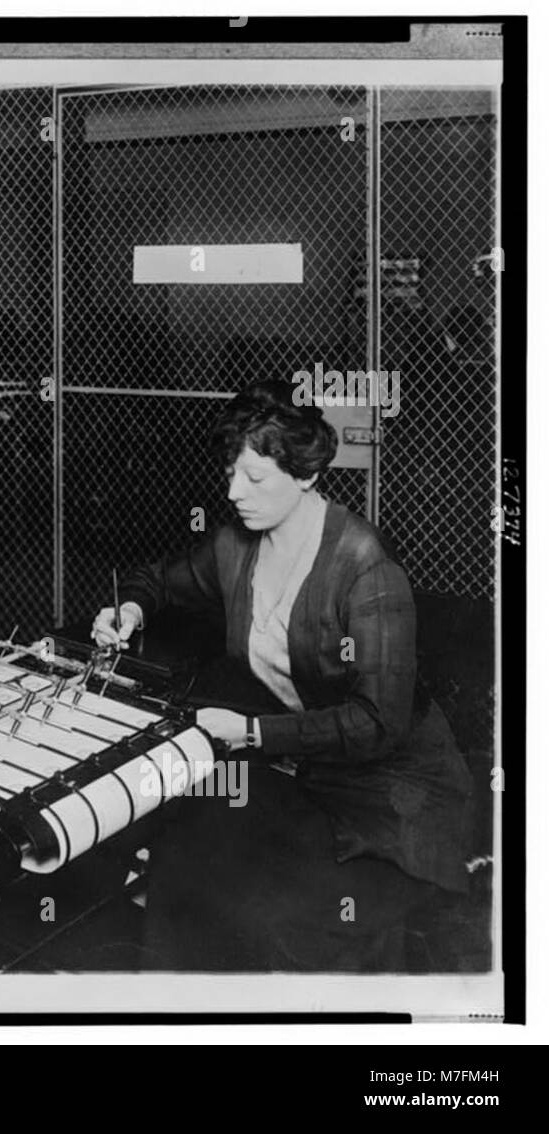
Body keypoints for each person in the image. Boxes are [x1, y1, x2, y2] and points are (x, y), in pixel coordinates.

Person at [92, 381, 473, 971]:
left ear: (306, 475)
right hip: (303, 770)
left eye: (255, 479)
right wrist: (129, 610)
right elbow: (158, 581)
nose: (232, 492)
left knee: (269, 913)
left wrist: (253, 736)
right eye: (230, 473)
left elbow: (380, 723)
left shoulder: (363, 564)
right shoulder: (235, 545)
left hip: (387, 799)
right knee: (184, 861)